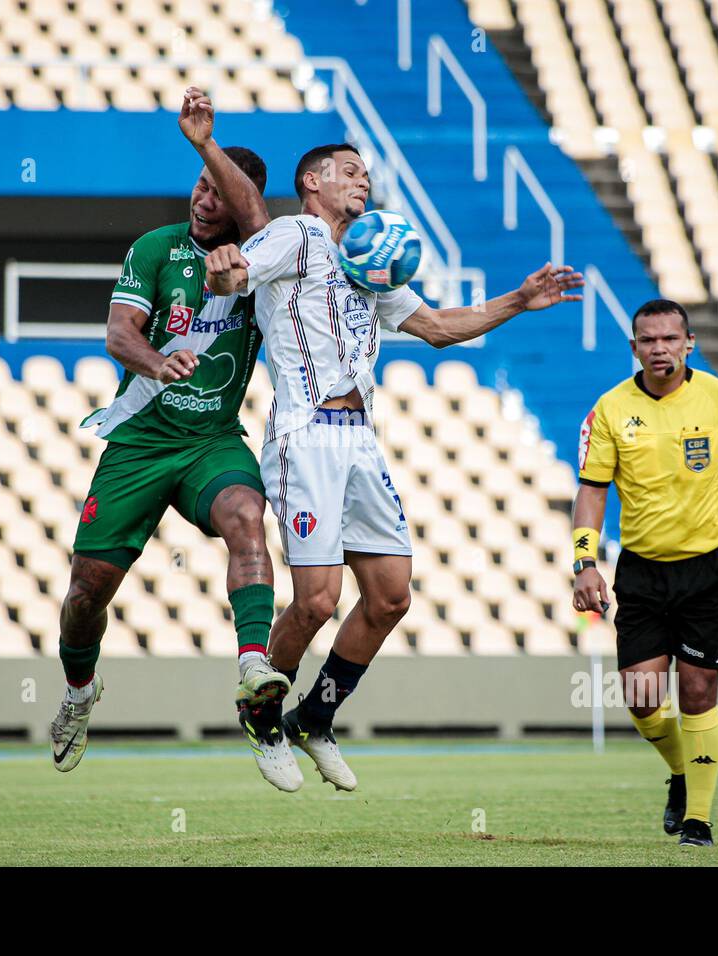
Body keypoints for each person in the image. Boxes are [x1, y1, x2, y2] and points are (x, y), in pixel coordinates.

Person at [205, 143, 583, 791]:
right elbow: (237, 277)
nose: (362, 181)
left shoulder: (367, 259)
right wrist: (221, 272)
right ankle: (262, 717)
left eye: (367, 175)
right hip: (308, 434)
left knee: (390, 596)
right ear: (311, 182)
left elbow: (437, 326)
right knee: (319, 599)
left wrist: (518, 300)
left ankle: (315, 718)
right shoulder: (297, 234)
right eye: (349, 172)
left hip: (360, 440)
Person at [49, 89, 296, 790]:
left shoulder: (267, 262)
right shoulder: (156, 249)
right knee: (86, 594)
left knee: (249, 520)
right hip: (141, 440)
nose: (203, 201)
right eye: (197, 186)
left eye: (218, 191)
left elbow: (265, 233)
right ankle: (78, 688)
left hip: (212, 439)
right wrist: (159, 361)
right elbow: (118, 333)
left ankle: (253, 667)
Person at [570, 298, 718, 847]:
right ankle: (683, 771)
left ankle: (699, 822)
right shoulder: (610, 410)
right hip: (640, 570)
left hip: (708, 567)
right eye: (648, 340)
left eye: (670, 339)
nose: (659, 348)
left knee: (698, 690)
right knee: (641, 698)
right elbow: (592, 490)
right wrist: (584, 562)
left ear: (689, 344)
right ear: (634, 347)